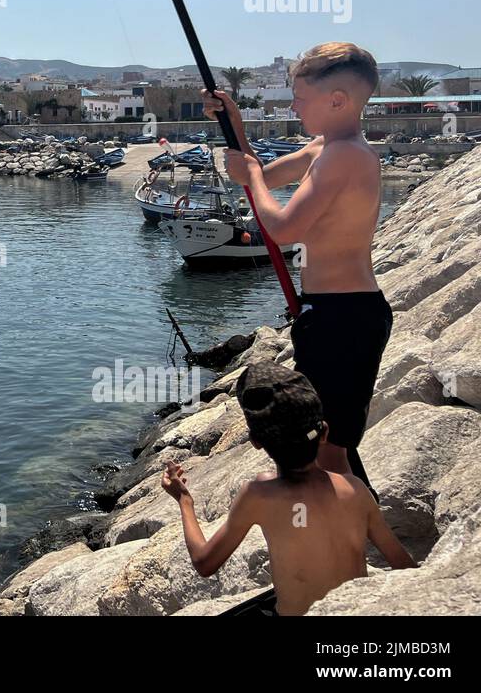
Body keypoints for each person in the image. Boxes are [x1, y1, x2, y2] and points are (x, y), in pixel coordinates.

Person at [202, 42, 390, 498]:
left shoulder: (345, 156)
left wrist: (249, 173)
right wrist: (236, 129)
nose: (293, 106)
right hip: (328, 312)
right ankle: (355, 526)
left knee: (329, 448)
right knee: (328, 437)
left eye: (300, 98)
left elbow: (283, 227)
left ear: (338, 100)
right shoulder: (327, 147)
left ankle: (353, 538)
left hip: (346, 319)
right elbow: (262, 177)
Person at [162, 362, 417, 616]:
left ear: (256, 442)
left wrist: (184, 500)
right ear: (324, 432)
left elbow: (205, 563)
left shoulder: (259, 493)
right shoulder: (355, 488)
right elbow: (404, 566)